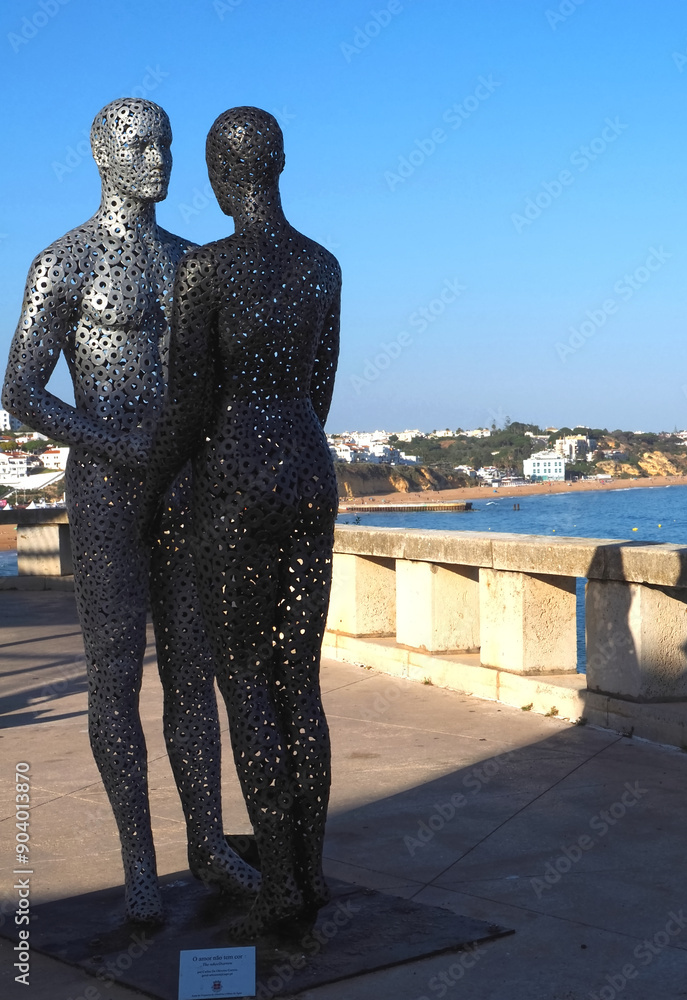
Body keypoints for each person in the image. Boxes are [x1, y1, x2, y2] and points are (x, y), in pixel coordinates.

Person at [2, 98, 258, 923]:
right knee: (114, 680)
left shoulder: (194, 263)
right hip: (110, 493)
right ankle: (139, 865)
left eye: (168, 144)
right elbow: (19, 389)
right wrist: (110, 444)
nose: (160, 159)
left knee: (194, 677)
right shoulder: (63, 262)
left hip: (185, 491)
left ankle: (210, 845)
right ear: (101, 152)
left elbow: (216, 385)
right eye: (141, 144)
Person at [144, 106, 341, 937]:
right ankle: (310, 868)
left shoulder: (208, 270)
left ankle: (280, 886)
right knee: (302, 681)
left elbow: (189, 404)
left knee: (248, 684)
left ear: (220, 177)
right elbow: (319, 386)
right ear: (283, 163)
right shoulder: (323, 266)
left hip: (235, 479)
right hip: (308, 470)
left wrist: (149, 481)